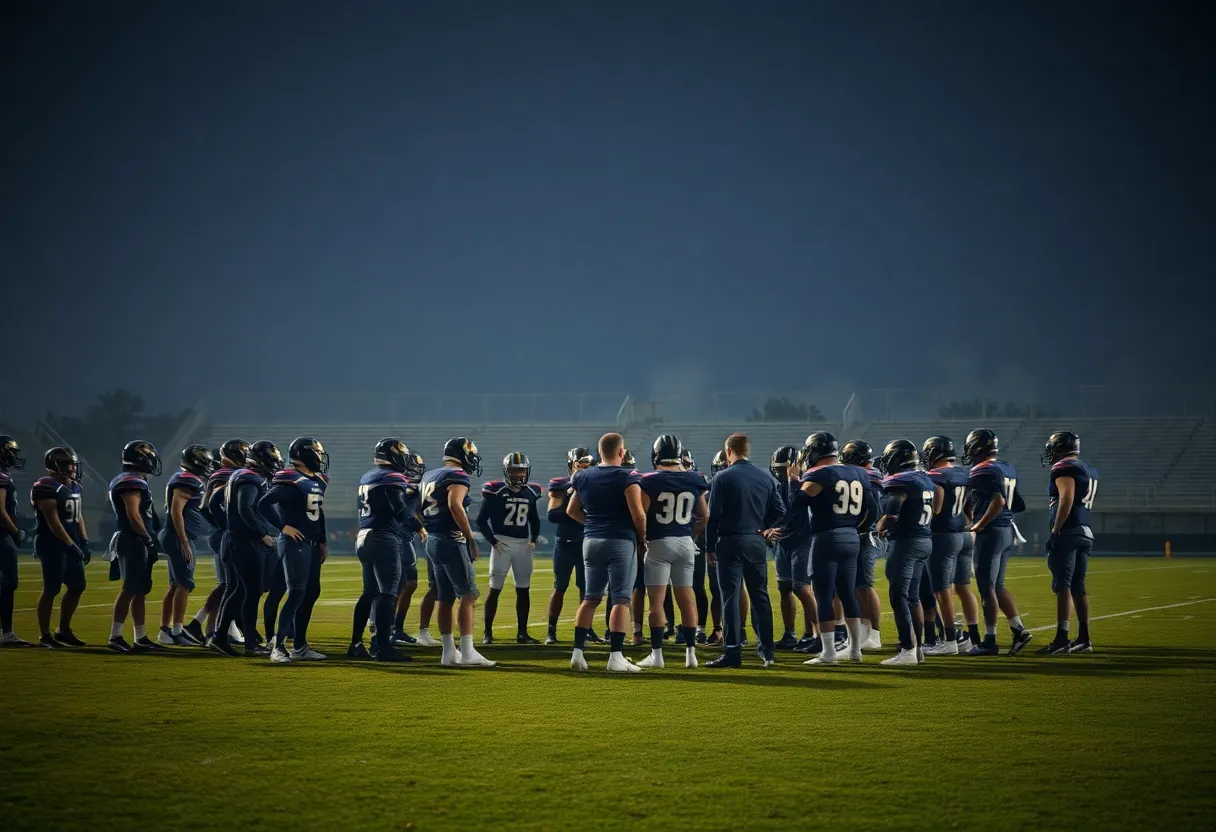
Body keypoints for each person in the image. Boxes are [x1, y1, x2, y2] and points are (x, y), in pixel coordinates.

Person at [772, 432, 866, 666]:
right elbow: (872, 510)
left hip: (827, 537)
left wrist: (794, 481)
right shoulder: (857, 471)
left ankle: (829, 652)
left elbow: (796, 505)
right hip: (852, 537)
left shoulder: (819, 474)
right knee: (847, 593)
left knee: (824, 595)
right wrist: (854, 528)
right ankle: (855, 650)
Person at [565, 432, 647, 672]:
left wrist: (591, 524)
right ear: (621, 452)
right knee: (621, 599)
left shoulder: (582, 475)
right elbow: (638, 514)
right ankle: (616, 656)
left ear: (599, 453)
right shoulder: (628, 476)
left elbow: (571, 510)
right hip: (620, 539)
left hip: (591, 540)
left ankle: (578, 653)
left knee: (590, 598)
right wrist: (642, 538)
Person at [705, 433, 783, 669]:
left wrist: (709, 547)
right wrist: (767, 530)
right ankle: (767, 652)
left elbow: (713, 517)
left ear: (728, 451)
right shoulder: (766, 477)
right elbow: (780, 511)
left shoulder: (722, 477)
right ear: (747, 450)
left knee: (730, 597)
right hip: (756, 541)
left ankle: (732, 652)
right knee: (760, 595)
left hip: (729, 542)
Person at [420, 437, 494, 667]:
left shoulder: (429, 475)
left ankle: (449, 652)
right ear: (462, 455)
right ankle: (469, 651)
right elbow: (454, 505)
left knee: (445, 597)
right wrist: (470, 537)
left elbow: (415, 507)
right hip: (450, 540)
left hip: (432, 539)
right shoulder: (457, 475)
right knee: (468, 594)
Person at [637, 434, 709, 669]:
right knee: (686, 599)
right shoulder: (694, 478)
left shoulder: (648, 480)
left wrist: (642, 539)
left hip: (659, 543)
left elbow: (643, 515)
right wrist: (693, 534)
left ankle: (657, 655)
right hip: (685, 543)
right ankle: (691, 655)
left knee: (656, 603)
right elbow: (704, 516)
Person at [349, 438, 421, 662]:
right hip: (383, 537)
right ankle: (383, 647)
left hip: (364, 535)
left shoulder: (368, 476)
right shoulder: (392, 478)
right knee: (388, 593)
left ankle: (356, 643)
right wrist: (417, 500)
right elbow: (402, 512)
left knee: (369, 592)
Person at [962, 429, 1032, 656]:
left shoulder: (981, 471)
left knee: (987, 588)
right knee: (998, 586)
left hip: (992, 532)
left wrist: (978, 524)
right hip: (1007, 530)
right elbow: (1017, 502)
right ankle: (1019, 630)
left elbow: (999, 500)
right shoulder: (1006, 467)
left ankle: (990, 640)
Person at [262, 437, 330, 663]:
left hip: (310, 543)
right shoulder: (290, 479)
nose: (320, 457)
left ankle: (300, 646)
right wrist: (283, 527)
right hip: (294, 542)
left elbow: (318, 513)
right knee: (296, 592)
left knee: (311, 592)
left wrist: (322, 541)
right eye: (317, 453)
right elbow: (263, 504)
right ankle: (278, 647)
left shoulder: (317, 479)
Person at [211, 440, 282, 657]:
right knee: (250, 593)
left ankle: (221, 637)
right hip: (245, 542)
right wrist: (262, 534)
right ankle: (246, 641)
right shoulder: (252, 478)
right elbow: (245, 508)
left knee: (239, 591)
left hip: (234, 538)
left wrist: (227, 525)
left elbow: (214, 503)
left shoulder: (238, 474)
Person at [875, 439, 935, 666]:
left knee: (898, 596)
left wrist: (883, 524)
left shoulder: (900, 481)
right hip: (924, 539)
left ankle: (908, 649)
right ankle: (917, 648)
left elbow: (893, 508)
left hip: (906, 542)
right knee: (912, 597)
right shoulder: (924, 479)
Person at [1039, 431, 1099, 654]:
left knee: (1063, 586)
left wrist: (1056, 529)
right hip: (1085, 530)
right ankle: (1084, 638)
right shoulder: (1087, 468)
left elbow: (1066, 497)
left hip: (1069, 531)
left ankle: (1062, 638)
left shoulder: (1063, 467)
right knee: (1078, 586)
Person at [477, 452, 543, 644]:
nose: (518, 474)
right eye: (515, 470)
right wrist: (493, 541)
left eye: (522, 470)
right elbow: (481, 521)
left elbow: (534, 519)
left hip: (522, 544)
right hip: (502, 543)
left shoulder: (531, 492)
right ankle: (487, 633)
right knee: (495, 588)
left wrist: (533, 539)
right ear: (506, 471)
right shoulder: (495, 492)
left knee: (523, 589)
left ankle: (522, 633)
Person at [189, 439, 249, 647]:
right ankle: (208, 626)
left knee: (227, 585)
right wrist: (227, 524)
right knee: (231, 585)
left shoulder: (223, 474)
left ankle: (209, 628)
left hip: (220, 532)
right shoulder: (225, 475)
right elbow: (210, 505)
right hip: (223, 533)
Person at [107, 441, 164, 653]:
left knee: (140, 589)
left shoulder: (133, 480)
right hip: (133, 539)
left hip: (136, 538)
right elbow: (133, 515)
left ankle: (140, 637)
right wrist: (148, 540)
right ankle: (115, 636)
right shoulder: (131, 481)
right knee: (130, 588)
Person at [157, 445, 216, 645]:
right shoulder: (187, 480)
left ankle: (165, 631)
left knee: (175, 584)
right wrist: (183, 540)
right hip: (178, 535)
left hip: (175, 535)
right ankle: (177, 630)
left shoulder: (184, 477)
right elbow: (176, 511)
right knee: (185, 584)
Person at [31, 446, 90, 649]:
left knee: (77, 586)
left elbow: (78, 515)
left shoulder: (75, 485)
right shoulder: (44, 486)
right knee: (52, 588)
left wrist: (84, 540)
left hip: (71, 542)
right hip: (52, 544)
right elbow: (52, 521)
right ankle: (45, 634)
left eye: (73, 463)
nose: (72, 467)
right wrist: (70, 544)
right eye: (67, 464)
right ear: (54, 466)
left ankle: (63, 630)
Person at [920, 436, 972, 656]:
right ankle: (958, 637)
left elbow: (937, 506)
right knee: (950, 589)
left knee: (941, 591)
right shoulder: (962, 473)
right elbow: (970, 508)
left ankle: (950, 640)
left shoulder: (936, 476)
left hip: (941, 535)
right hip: (960, 532)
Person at [545, 447, 600, 644]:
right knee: (560, 587)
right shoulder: (561, 486)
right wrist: (571, 498)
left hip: (586, 542)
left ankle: (586, 629)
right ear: (571, 465)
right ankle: (551, 630)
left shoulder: (594, 483)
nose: (585, 468)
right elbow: (552, 515)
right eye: (581, 465)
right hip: (566, 542)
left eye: (588, 465)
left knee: (586, 590)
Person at [768, 445, 818, 652]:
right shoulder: (778, 488)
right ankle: (790, 635)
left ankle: (813, 635)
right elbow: (774, 515)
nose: (781, 473)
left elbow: (797, 511)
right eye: (779, 469)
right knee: (784, 588)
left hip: (803, 541)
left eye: (785, 469)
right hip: (784, 543)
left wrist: (793, 481)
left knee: (802, 588)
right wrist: (767, 530)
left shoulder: (807, 485)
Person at [840, 440, 884, 650]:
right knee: (858, 586)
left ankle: (873, 634)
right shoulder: (869, 473)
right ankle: (866, 633)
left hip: (865, 536)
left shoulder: (868, 475)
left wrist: (861, 528)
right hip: (863, 534)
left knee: (864, 586)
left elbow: (874, 509)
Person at [390, 449, 427, 645]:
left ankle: (397, 628)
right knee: (394, 587)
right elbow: (404, 511)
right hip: (395, 537)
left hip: (406, 538)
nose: (416, 472)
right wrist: (420, 527)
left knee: (410, 584)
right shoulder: (396, 485)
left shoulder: (414, 488)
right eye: (413, 467)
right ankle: (385, 627)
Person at [0, 436, 31, 647]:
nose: (13, 456)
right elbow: (0, 510)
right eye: (10, 451)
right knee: (9, 583)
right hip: (1, 535)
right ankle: (7, 633)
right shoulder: (1, 476)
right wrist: (15, 531)